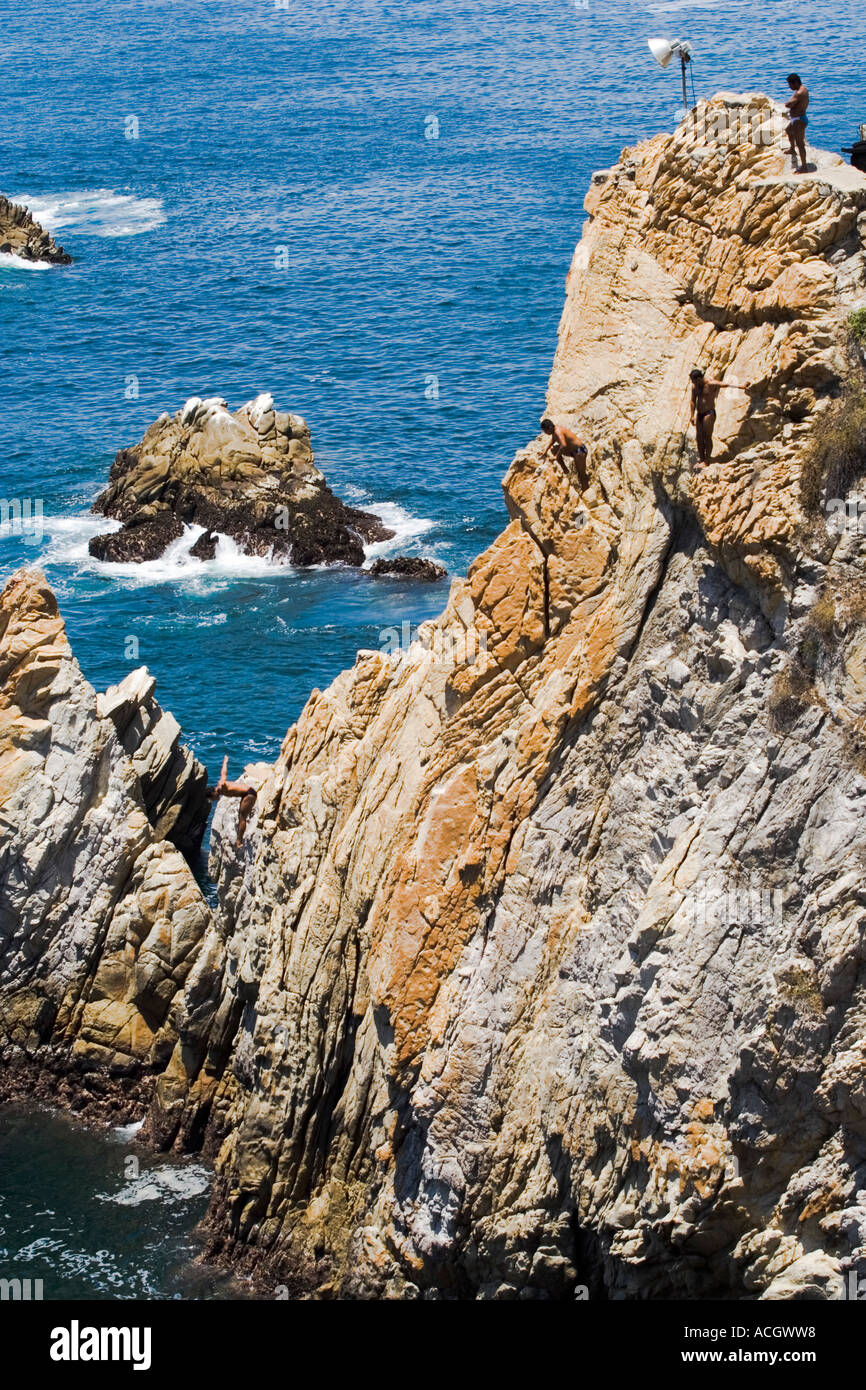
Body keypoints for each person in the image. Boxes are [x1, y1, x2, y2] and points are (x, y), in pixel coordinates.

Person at [689, 369, 753, 466]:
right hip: (699, 414)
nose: (692, 382)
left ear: (698, 378)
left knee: (707, 436)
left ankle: (707, 460)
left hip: (709, 413)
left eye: (693, 380)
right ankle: (702, 460)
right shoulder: (695, 386)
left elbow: (725, 384)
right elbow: (693, 401)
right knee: (699, 437)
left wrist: (742, 386)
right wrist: (692, 415)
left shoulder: (711, 383)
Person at [208, 755, 257, 848]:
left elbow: (224, 776)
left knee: (242, 817)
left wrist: (225, 763)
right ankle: (239, 839)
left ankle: (239, 841)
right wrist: (225, 762)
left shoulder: (221, 786)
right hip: (246, 794)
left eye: (212, 798)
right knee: (241, 814)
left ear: (213, 793)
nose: (214, 800)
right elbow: (223, 773)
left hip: (249, 794)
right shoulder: (219, 786)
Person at [540, 418, 590, 491]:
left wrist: (556, 456)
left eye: (545, 431)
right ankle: (565, 469)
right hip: (572, 451)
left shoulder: (558, 431)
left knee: (581, 474)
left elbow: (563, 445)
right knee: (553, 449)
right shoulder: (554, 430)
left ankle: (586, 490)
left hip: (580, 451)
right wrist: (545, 451)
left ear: (550, 428)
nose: (545, 433)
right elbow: (553, 440)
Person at [784, 73, 810, 173]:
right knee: (788, 130)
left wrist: (788, 104)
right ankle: (792, 149)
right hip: (797, 119)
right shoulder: (803, 89)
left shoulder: (799, 93)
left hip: (799, 120)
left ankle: (804, 167)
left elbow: (789, 104)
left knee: (800, 144)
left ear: (795, 83)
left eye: (790, 84)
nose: (789, 86)